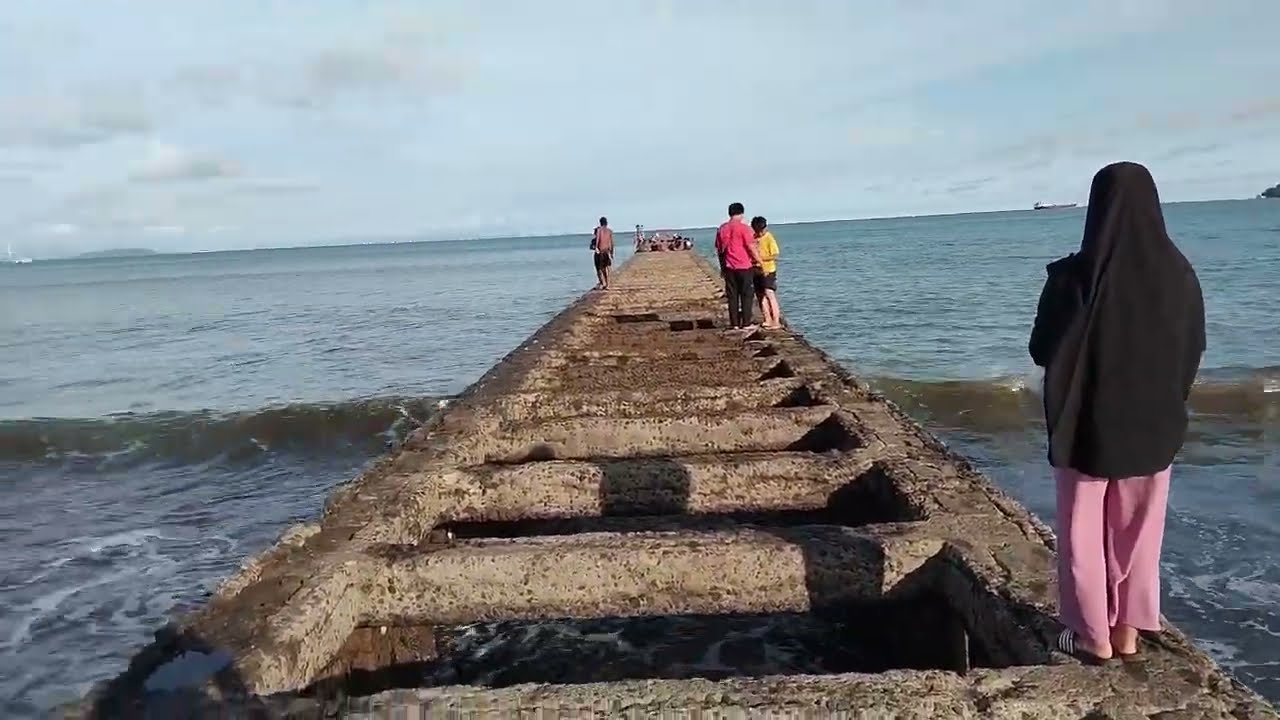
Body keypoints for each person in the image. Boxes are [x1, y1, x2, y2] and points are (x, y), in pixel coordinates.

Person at [1029, 161, 1205, 664]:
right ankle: (1129, 631)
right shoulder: (1180, 274)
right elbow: (1193, 347)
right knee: (1140, 534)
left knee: (1083, 533)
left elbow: (1042, 348)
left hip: (1083, 425)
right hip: (1154, 425)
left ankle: (1091, 635)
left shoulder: (1074, 276)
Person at [715, 202, 762, 330]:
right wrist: (760, 261)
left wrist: (722, 267)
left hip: (729, 267)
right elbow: (751, 247)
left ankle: (734, 323)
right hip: (744, 266)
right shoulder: (744, 228)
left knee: (732, 296)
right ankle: (746, 323)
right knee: (747, 295)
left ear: (729, 213)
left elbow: (719, 250)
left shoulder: (722, 228)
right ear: (741, 213)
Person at [750, 216, 782, 329]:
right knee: (760, 295)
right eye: (757, 231)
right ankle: (767, 319)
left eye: (761, 231)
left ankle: (776, 321)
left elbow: (775, 255)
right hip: (756, 269)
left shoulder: (769, 237)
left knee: (770, 294)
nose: (759, 233)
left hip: (768, 270)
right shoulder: (753, 238)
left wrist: (760, 258)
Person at [591, 217, 614, 289]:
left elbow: (598, 239)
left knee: (601, 269)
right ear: (606, 222)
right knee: (607, 267)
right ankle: (607, 283)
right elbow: (612, 242)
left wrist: (596, 248)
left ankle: (603, 283)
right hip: (606, 251)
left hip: (600, 251)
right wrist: (612, 252)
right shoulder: (609, 231)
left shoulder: (599, 230)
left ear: (600, 222)